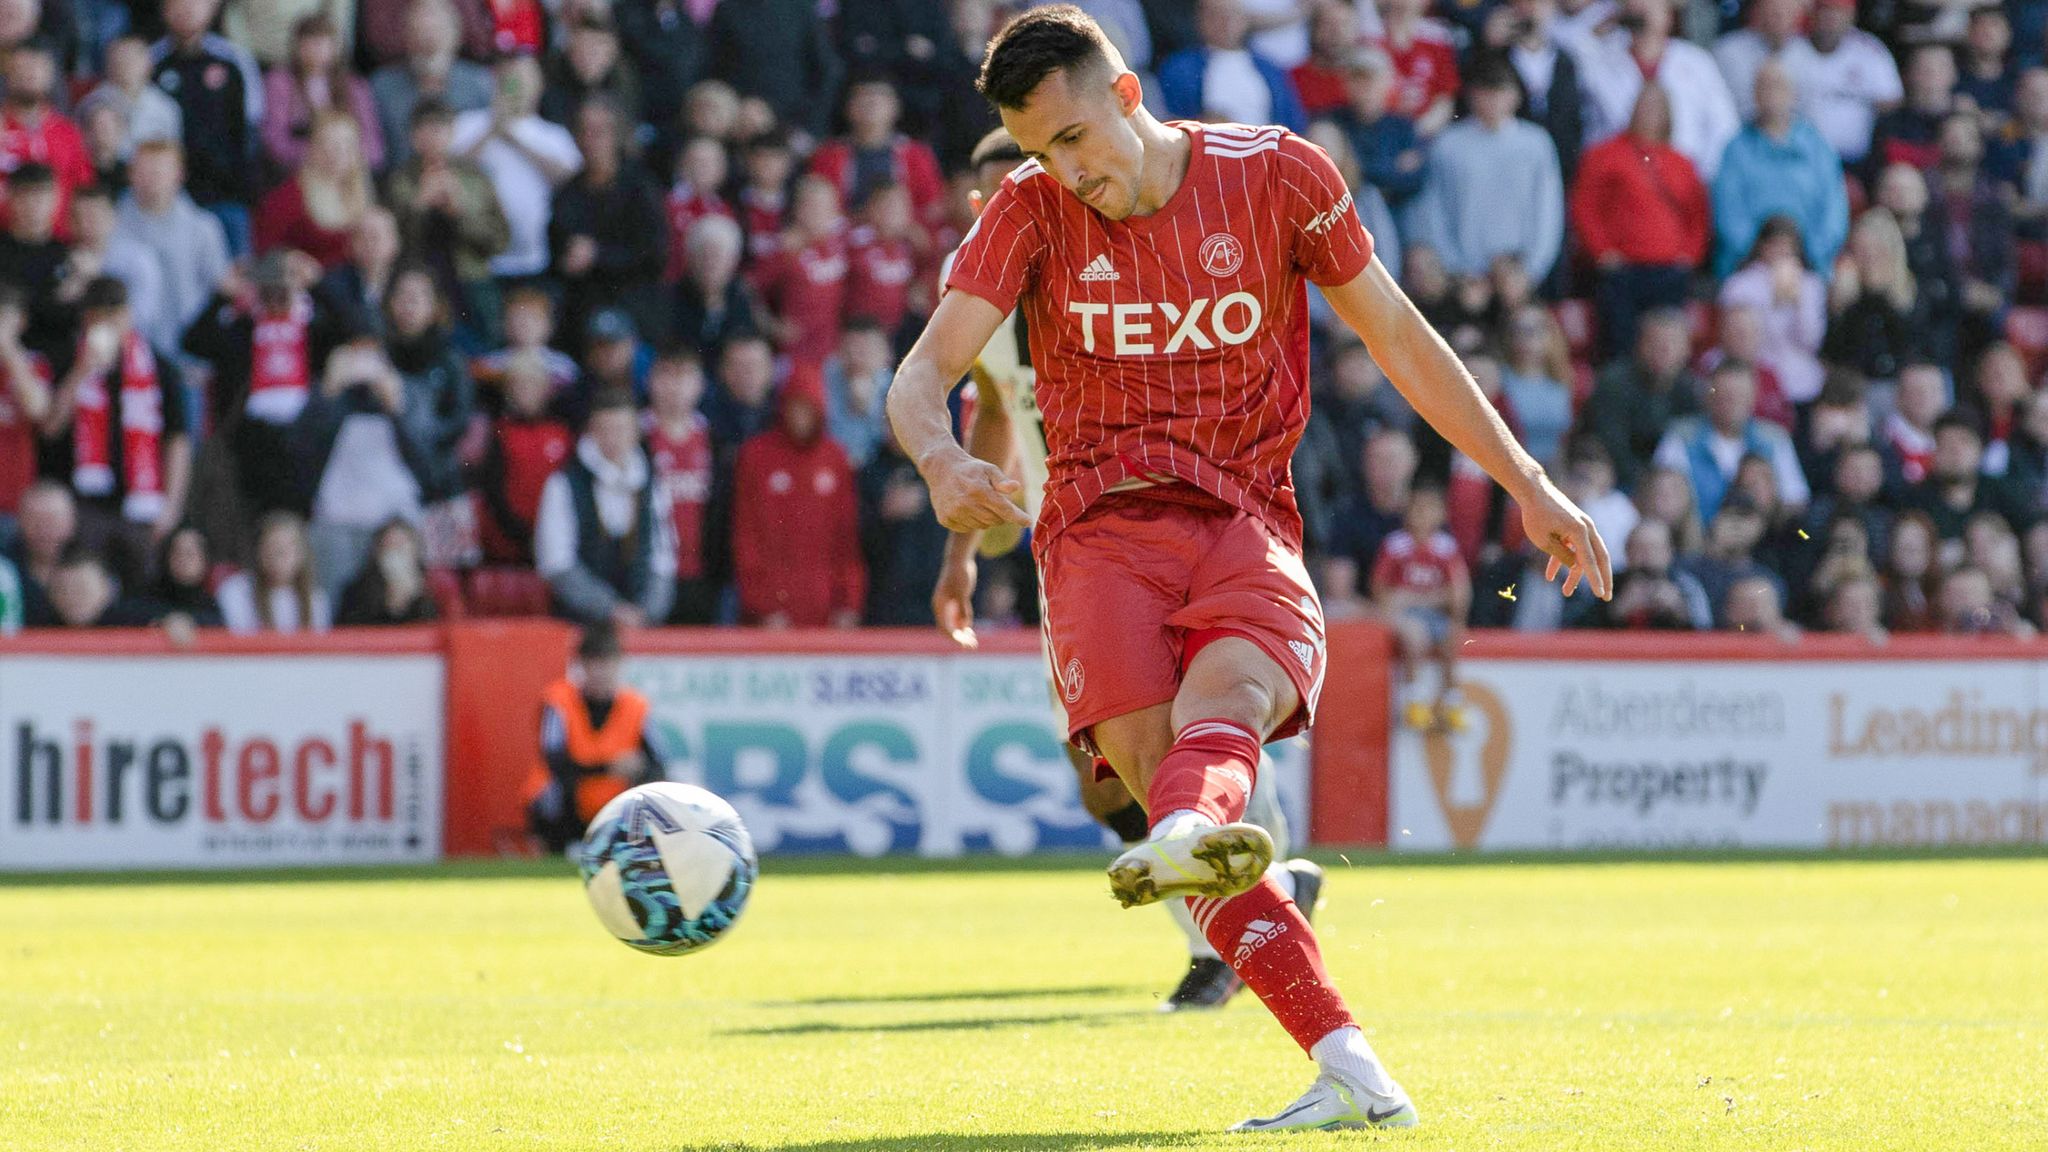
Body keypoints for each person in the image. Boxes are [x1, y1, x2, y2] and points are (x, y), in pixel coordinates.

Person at [892, 9, 1610, 1131]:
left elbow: (1400, 335)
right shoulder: (1028, 216)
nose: (1065, 170)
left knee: (1222, 717)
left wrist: (1525, 480)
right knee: (1178, 800)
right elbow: (919, 376)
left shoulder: (1276, 174)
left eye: (1075, 137)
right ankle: (1352, 1072)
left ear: (1126, 95)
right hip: (1092, 542)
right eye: (1041, 151)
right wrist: (937, 461)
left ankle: (1191, 846)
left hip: (1243, 518)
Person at [928, 124, 1322, 1014]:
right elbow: (991, 408)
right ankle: (1275, 888)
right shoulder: (979, 292)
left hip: (1195, 524)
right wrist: (959, 552)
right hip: (1075, 556)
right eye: (994, 192)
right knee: (1105, 770)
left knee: (1200, 729)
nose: (1013, 204)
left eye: (1030, 183)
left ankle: (1220, 940)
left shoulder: (1117, 263)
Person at [42, 278, 190, 585]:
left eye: (116, 316)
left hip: (142, 503)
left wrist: (172, 505)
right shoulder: (68, 359)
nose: (110, 326)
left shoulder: (160, 368)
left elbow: (177, 441)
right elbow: (51, 426)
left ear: (129, 315)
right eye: (100, 318)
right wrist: (82, 372)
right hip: (85, 504)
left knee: (142, 584)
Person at [1570, 84, 1707, 360]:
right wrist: (1601, 252)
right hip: (1622, 270)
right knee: (1619, 348)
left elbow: (1698, 215)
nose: (1649, 113)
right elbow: (1584, 207)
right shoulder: (1604, 155)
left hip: (1669, 270)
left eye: (1657, 107)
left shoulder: (1681, 162)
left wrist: (1689, 256)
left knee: (1667, 350)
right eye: (1644, 105)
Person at [730, 364, 864, 627]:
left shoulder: (835, 457)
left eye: (808, 408)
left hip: (827, 611)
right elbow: (746, 536)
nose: (801, 417)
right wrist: (762, 605)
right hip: (772, 616)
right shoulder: (756, 456)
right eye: (795, 406)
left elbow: (846, 538)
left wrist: (848, 603)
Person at [533, 386, 677, 627]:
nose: (613, 438)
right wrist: (610, 609)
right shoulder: (563, 483)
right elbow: (556, 563)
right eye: (604, 429)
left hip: (642, 625)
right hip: (580, 626)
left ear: (635, 432)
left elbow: (663, 560)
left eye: (621, 429)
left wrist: (647, 612)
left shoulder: (652, 483)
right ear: (591, 431)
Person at [1410, 55, 1563, 283]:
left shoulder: (1536, 143)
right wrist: (1457, 268)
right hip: (1463, 276)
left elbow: (1548, 209)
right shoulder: (1448, 144)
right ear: (1472, 95)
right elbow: (1434, 209)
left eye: (1501, 91)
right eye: (1486, 92)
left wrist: (1531, 270)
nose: (1493, 100)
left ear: (1516, 96)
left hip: (1521, 272)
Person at [526, 620, 659, 854]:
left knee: (654, 793)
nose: (600, 673)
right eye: (593, 664)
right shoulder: (558, 701)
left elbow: (658, 765)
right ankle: (551, 851)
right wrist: (608, 768)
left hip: (616, 806)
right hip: (568, 806)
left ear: (619, 665)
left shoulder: (635, 706)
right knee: (548, 791)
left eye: (607, 664)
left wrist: (638, 768)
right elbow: (555, 763)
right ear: (581, 665)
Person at [1712, 60, 1850, 279]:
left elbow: (1834, 212)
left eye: (1779, 85)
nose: (1772, 93)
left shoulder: (1818, 146)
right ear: (1754, 95)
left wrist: (1805, 257)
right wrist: (1762, 257)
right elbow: (1728, 213)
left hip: (1809, 268)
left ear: (1794, 93)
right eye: (1764, 86)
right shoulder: (1736, 148)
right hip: (1748, 267)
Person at [452, 53, 581, 286]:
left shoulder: (554, 135)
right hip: (476, 260)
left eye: (523, 79)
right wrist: (493, 127)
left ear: (539, 85)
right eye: (509, 79)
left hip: (532, 261)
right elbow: (451, 166)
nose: (516, 86)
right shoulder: (467, 124)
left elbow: (571, 179)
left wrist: (512, 136)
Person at [150, 0, 263, 253]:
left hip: (226, 194)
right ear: (164, 9)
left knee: (236, 280)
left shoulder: (234, 60)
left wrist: (243, 188)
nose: (187, 8)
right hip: (170, 197)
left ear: (213, 8)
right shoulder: (151, 61)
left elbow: (251, 127)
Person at [113, 141, 233, 354]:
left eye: (160, 172)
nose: (153, 179)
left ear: (179, 175)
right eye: (145, 171)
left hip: (190, 352)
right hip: (129, 354)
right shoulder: (111, 226)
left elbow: (218, 292)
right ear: (130, 174)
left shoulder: (205, 228)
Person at [1654, 360, 1809, 522]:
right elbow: (1664, 497)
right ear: (1709, 396)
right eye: (1725, 395)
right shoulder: (1682, 436)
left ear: (1753, 397)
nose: (1732, 403)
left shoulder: (1774, 438)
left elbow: (1794, 499)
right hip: (1694, 540)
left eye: (1739, 395)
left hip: (1763, 540)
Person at [1575, 307, 1700, 492]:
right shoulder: (1614, 384)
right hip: (1617, 486)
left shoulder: (1690, 389)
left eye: (1672, 343)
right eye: (1655, 343)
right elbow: (1614, 453)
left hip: (1673, 489)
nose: (1663, 350)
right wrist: (1653, 487)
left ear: (1686, 349)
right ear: (1639, 345)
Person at [1371, 483, 1469, 713]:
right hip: (1404, 615)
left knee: (1451, 640)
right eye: (1417, 509)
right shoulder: (1396, 545)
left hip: (1432, 611)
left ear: (1441, 514)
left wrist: (1418, 599)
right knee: (1416, 637)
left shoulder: (1446, 547)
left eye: (1429, 509)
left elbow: (1458, 592)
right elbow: (1380, 588)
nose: (1423, 516)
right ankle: (1413, 697)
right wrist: (1394, 605)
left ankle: (1452, 700)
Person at [369, 0, 493, 171]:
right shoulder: (383, 87)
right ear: (406, 38)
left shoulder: (480, 83)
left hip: (469, 186)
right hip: (401, 189)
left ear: (456, 36)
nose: (428, 43)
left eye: (437, 31)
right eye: (418, 32)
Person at [1157, 0, 1308, 135]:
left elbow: (1294, 124)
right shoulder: (1179, 67)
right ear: (1200, 19)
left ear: (1244, 20)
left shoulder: (1269, 68)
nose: (1225, 22)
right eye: (1217, 16)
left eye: (1232, 15)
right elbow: (1170, 123)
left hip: (1269, 153)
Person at [641, 348, 715, 623]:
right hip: (649, 576)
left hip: (701, 575)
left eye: (684, 376)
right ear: (650, 381)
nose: (675, 386)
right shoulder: (635, 437)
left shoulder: (714, 440)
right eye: (667, 375)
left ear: (700, 384)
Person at [262, 13, 385, 177]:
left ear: (337, 47)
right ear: (296, 46)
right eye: (309, 41)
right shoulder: (280, 82)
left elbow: (375, 149)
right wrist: (320, 156)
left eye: (322, 42)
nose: (316, 48)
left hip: (347, 175)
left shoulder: (354, 86)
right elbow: (275, 141)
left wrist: (343, 159)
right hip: (298, 172)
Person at [255, 109, 376, 269]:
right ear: (312, 149)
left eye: (347, 145)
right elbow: (263, 254)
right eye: (328, 145)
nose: (337, 153)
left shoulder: (362, 193)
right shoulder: (289, 197)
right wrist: (291, 262)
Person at [1797, 0, 1900, 168]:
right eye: (1825, 10)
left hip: (1856, 161)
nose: (1831, 17)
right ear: (1812, 14)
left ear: (1851, 15)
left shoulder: (1869, 51)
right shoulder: (1793, 48)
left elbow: (1891, 102)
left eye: (1838, 11)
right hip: (1799, 158)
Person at [216, 509, 330, 632]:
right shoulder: (235, 590)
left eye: (285, 550)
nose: (278, 558)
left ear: (302, 554)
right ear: (259, 551)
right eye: (271, 548)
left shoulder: (316, 599)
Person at [335, 517, 440, 625]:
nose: (395, 553)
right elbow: (348, 632)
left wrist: (417, 596)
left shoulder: (434, 589)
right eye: (389, 546)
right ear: (377, 553)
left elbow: (438, 629)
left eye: (401, 546)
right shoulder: (355, 592)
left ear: (416, 551)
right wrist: (391, 601)